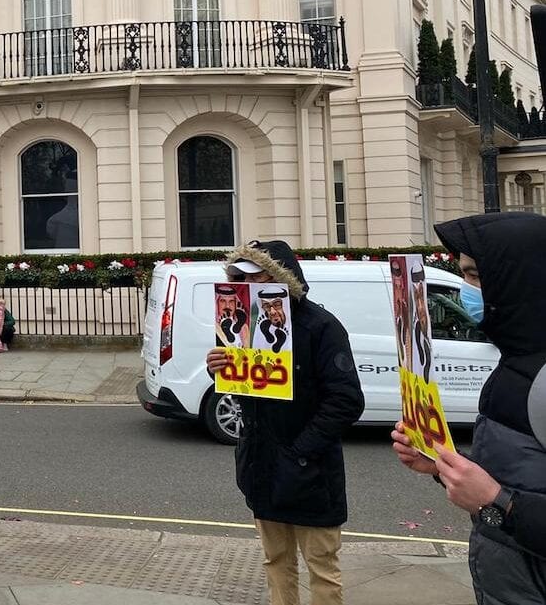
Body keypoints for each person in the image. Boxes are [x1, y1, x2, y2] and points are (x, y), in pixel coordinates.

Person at [392, 212, 546, 603]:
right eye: (463, 274)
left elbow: (501, 496)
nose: (466, 289)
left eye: (475, 275)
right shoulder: (515, 359)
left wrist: (496, 502)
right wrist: (443, 466)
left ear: (521, 278)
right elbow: (519, 475)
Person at [206, 240, 364, 605]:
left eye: (254, 277)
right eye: (238, 278)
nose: (245, 286)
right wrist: (220, 371)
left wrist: (300, 453)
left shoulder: (321, 326)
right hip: (263, 467)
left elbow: (347, 401)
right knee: (275, 561)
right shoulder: (243, 327)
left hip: (310, 473)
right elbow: (248, 394)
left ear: (280, 278)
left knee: (322, 569)